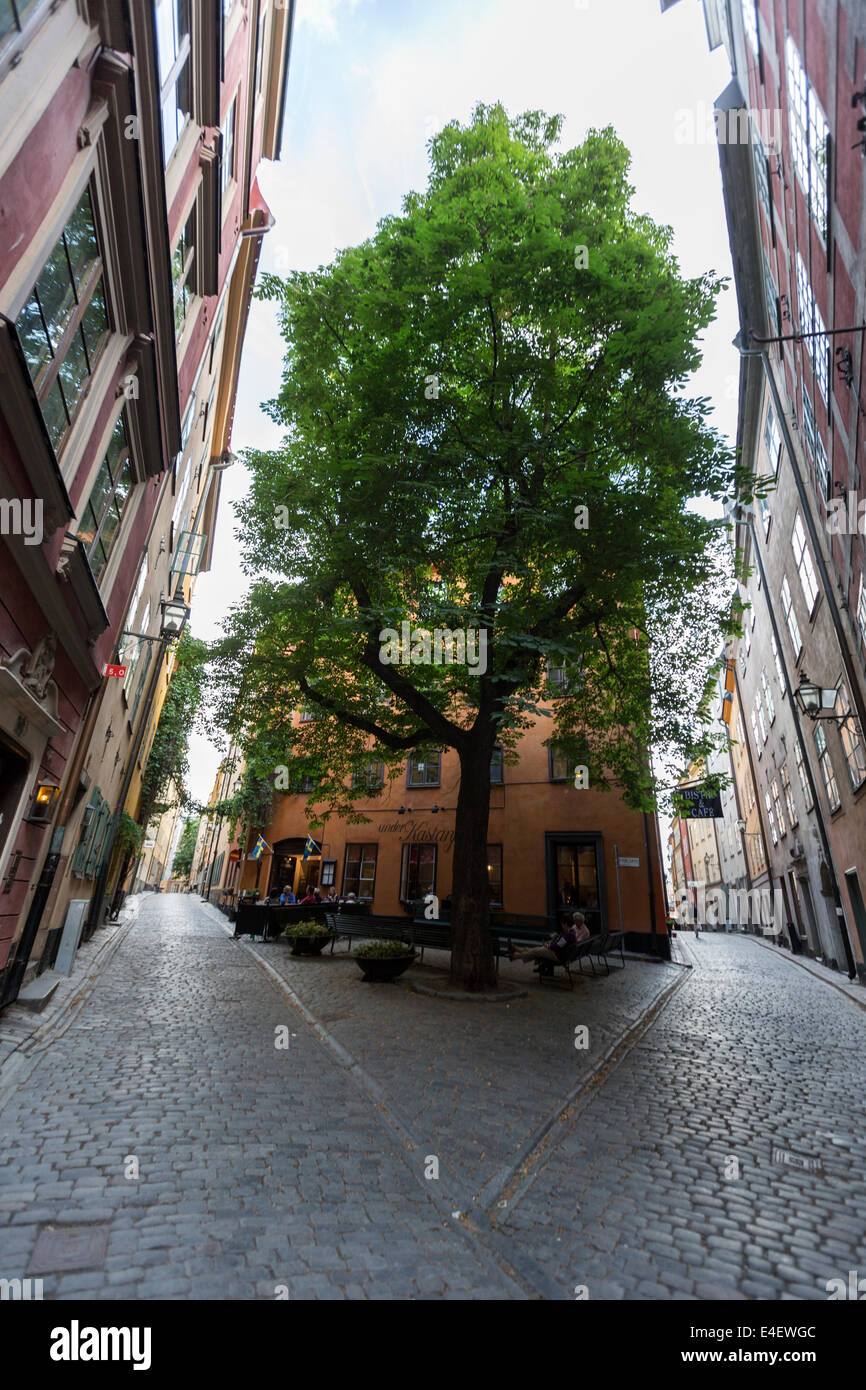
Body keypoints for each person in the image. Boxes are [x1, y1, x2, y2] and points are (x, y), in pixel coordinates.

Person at [509, 912, 589, 965]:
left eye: (562, 924)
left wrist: (548, 946)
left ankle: (515, 956)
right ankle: (516, 950)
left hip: (558, 955)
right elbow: (560, 944)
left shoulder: (568, 934)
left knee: (536, 951)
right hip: (563, 954)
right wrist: (550, 944)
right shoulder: (571, 932)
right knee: (536, 949)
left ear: (565, 924)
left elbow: (558, 946)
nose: (562, 926)